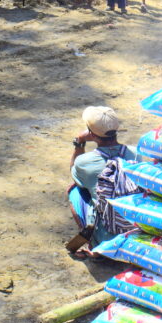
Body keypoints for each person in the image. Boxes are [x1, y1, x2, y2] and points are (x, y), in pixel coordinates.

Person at [68, 106, 138, 249]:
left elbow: (75, 174)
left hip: (107, 239)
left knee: (75, 190)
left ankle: (92, 241)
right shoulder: (137, 153)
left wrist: (80, 142)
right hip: (138, 230)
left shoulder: (85, 162)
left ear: (91, 133)